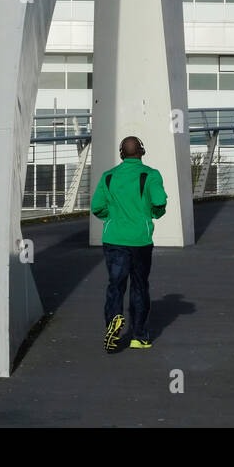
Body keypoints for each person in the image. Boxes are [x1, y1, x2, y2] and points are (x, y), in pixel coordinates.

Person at [91, 135, 168, 353]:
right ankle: (139, 337)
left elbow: (97, 207)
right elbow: (159, 202)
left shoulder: (108, 176)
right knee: (139, 286)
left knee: (115, 284)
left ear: (121, 154)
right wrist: (152, 214)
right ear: (141, 152)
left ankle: (113, 319)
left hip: (113, 238)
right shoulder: (151, 175)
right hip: (140, 240)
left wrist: (112, 218)